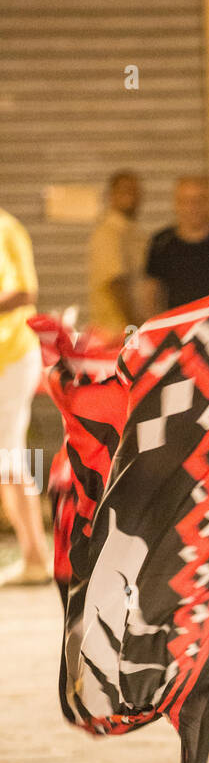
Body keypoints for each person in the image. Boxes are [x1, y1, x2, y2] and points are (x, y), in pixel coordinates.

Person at [0, 205, 51, 587]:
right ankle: (32, 554)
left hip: (12, 354)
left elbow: (25, 292)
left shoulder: (6, 227)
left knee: (11, 454)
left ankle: (36, 556)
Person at [143, 176, 209, 314]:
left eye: (199, 200)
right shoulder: (162, 242)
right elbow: (151, 294)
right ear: (177, 204)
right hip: (179, 328)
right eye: (186, 201)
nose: (193, 207)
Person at [88, 171, 146, 336]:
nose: (132, 197)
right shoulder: (109, 233)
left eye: (136, 191)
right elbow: (116, 283)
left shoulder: (132, 232)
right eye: (125, 191)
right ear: (111, 196)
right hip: (116, 333)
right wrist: (136, 328)